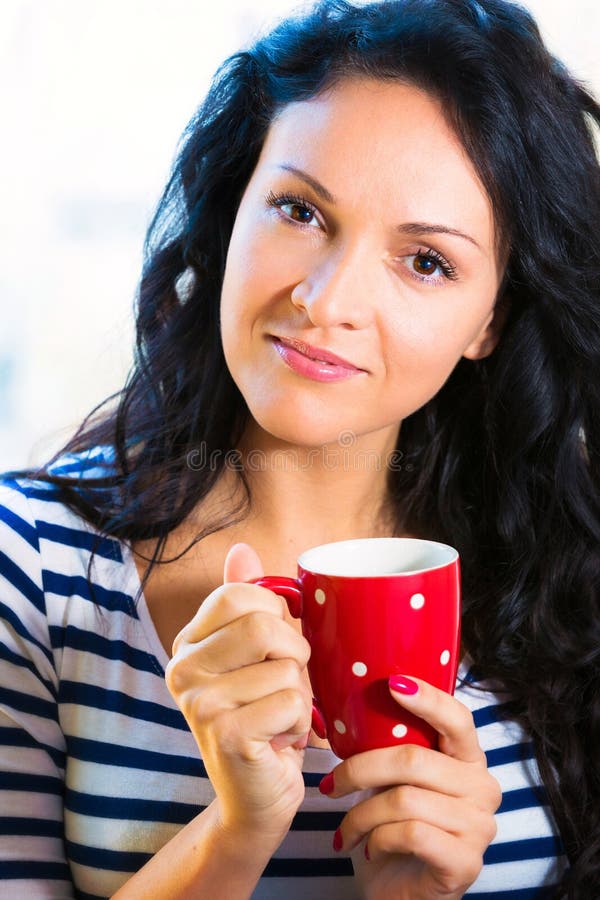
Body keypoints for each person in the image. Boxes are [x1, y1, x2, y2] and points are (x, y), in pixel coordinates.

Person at [1, 0, 598, 896]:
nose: (327, 298)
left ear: (493, 319)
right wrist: (236, 830)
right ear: (230, 209)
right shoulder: (29, 566)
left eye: (426, 261)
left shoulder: (570, 583)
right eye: (300, 209)